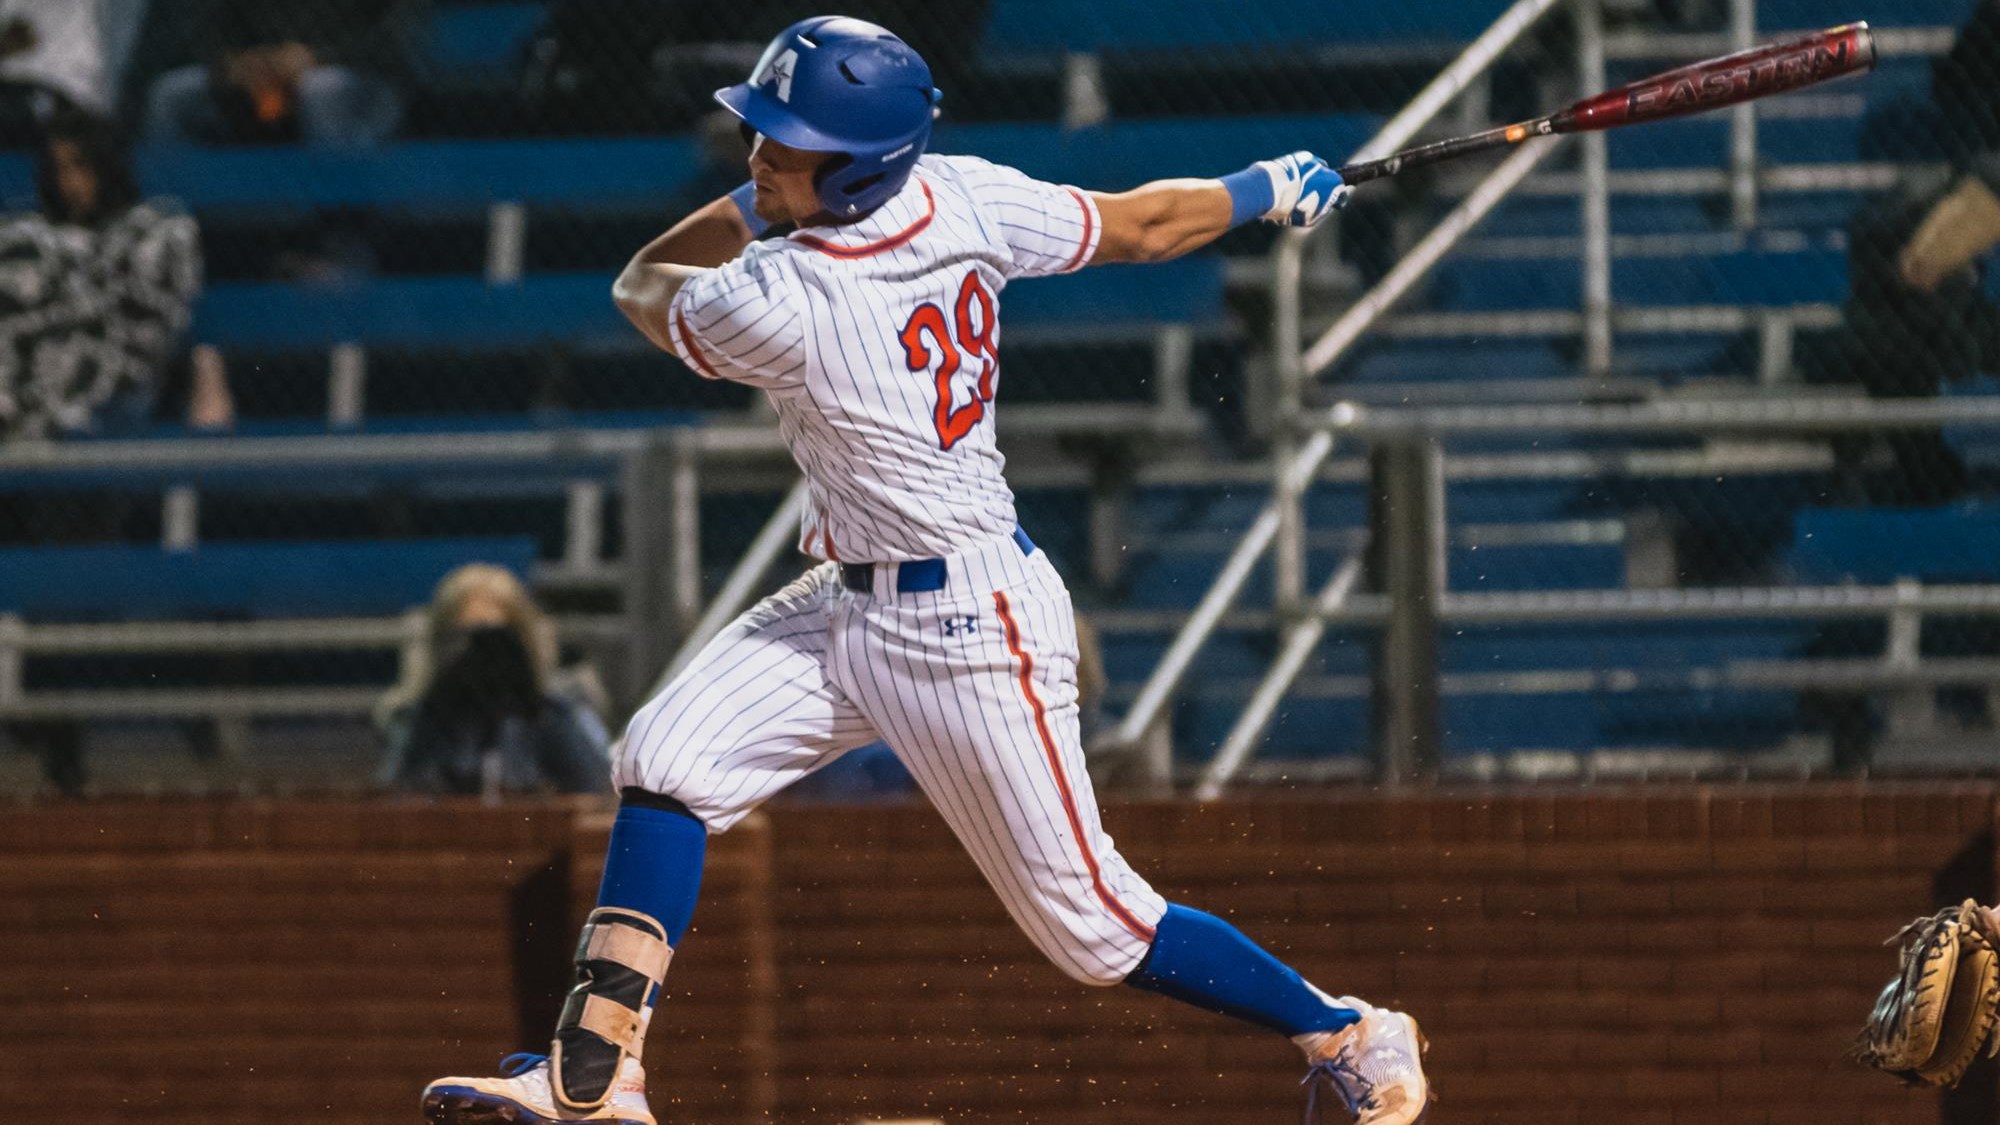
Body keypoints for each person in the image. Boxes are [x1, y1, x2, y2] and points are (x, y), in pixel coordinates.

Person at [420, 18, 1429, 1125]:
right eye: (762, 135)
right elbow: (1143, 225)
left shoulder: (780, 300)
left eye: (787, 145)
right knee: (667, 757)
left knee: (1094, 928)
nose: (757, 156)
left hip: (969, 627)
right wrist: (1263, 188)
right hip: (845, 598)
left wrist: (752, 208)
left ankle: (1344, 1028)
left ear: (860, 167)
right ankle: (598, 1077)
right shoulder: (961, 194)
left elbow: (643, 280)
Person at [0, 109, 213, 442]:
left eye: (80, 166)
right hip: (33, 379)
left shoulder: (155, 228)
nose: (69, 183)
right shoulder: (32, 235)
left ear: (106, 166)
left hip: (115, 388)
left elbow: (148, 323)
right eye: (59, 169)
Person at [376, 564, 612, 798]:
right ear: (442, 642)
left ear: (522, 641)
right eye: (467, 639)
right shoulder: (420, 721)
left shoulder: (554, 717)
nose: (483, 655)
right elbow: (393, 797)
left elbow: (598, 791)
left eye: (496, 638)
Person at [142, 0, 421, 147]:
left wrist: (314, 58)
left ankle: (340, 226)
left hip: (362, 83)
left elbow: (396, 43)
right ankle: (168, 216)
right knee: (171, 92)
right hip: (257, 82)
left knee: (319, 89)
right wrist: (234, 61)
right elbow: (209, 31)